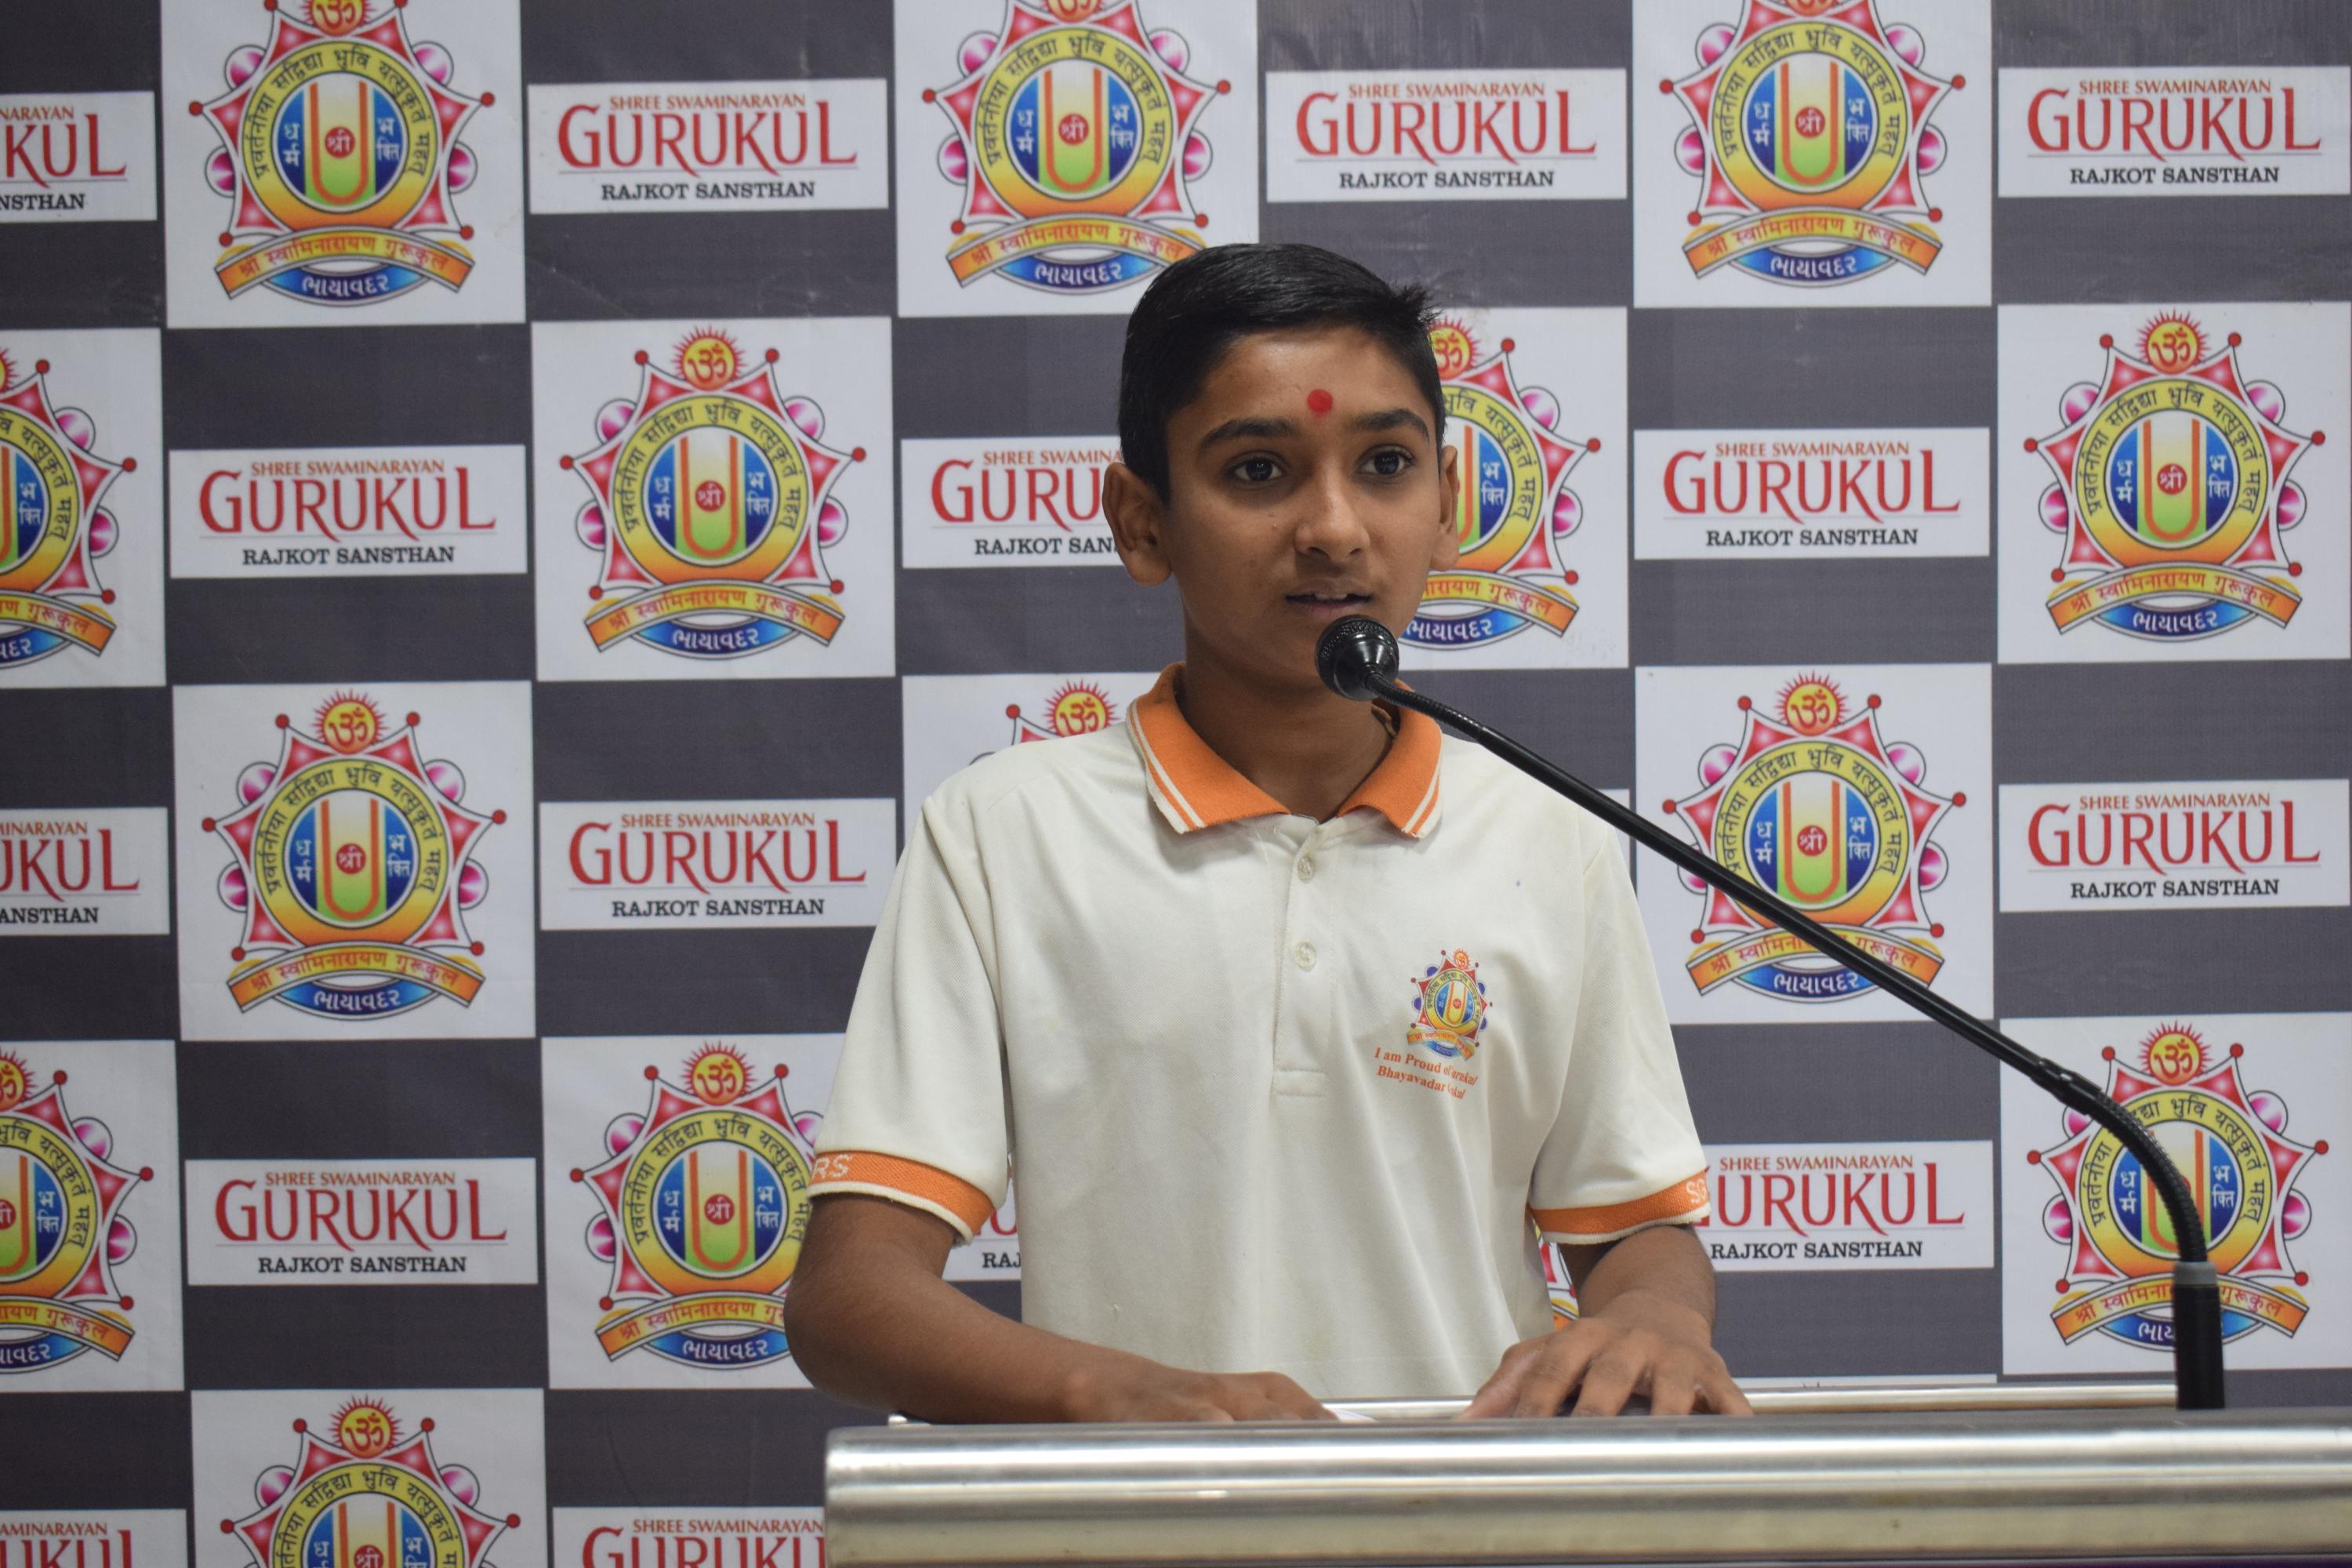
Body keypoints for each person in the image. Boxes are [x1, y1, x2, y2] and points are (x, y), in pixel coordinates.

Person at [784, 242, 1747, 1422]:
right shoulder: (1002, 835)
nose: (1336, 528)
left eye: (1385, 464)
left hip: (1464, 1529)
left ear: (1445, 501)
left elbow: (1637, 1227)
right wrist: (1116, 1394)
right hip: (1138, 1539)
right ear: (1143, 522)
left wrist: (1655, 1321)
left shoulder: (1550, 840)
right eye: (1258, 472)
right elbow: (850, 1298)